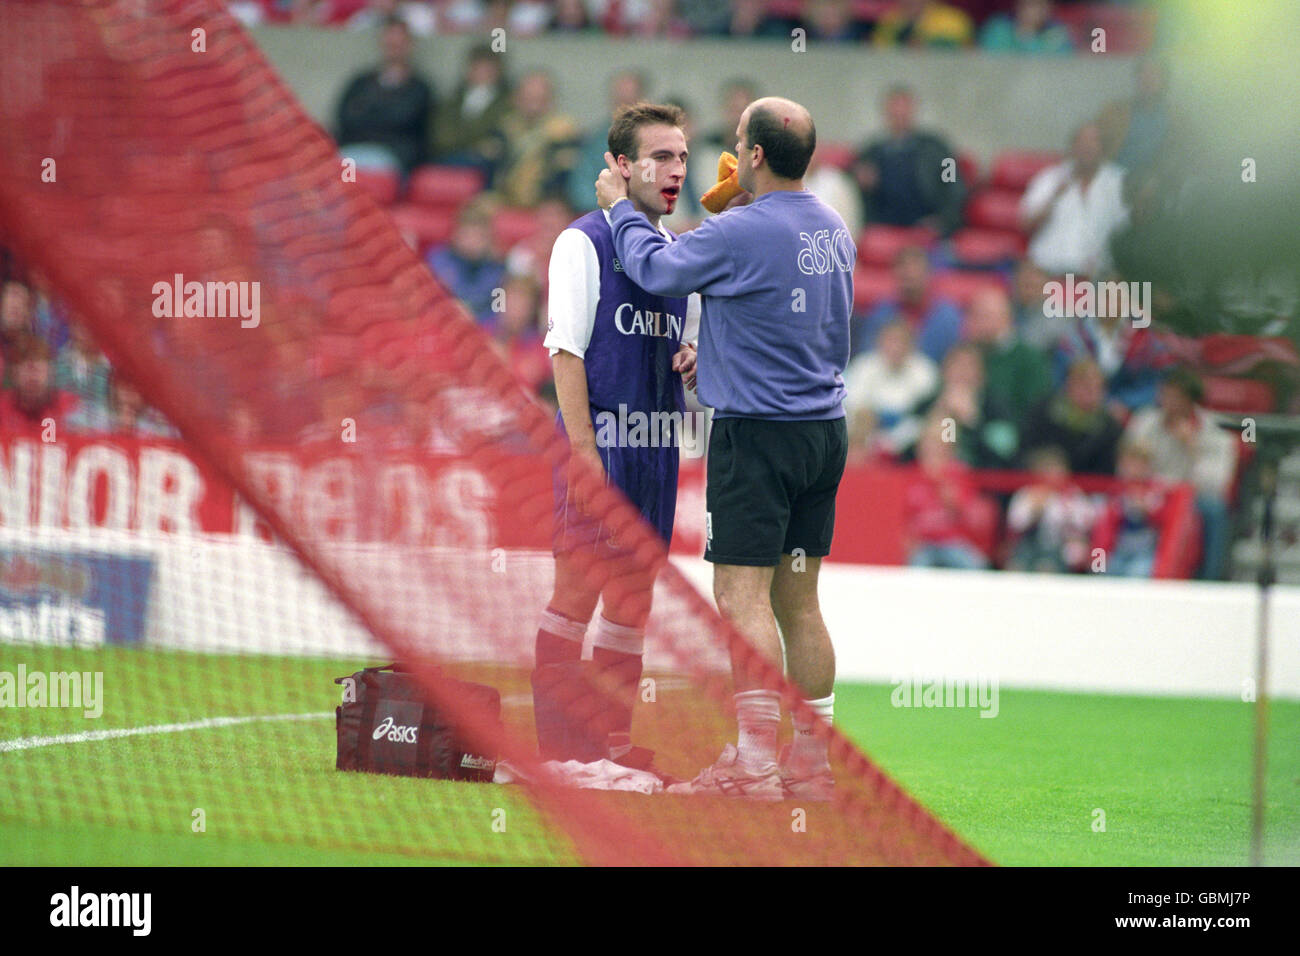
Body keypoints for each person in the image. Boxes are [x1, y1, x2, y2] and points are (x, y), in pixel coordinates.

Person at [597, 95, 852, 800]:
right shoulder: (835, 228)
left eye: (740, 143)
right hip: (823, 432)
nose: (729, 156)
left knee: (742, 597)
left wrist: (620, 206)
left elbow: (653, 269)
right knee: (801, 603)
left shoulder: (739, 229)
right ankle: (813, 765)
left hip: (757, 436)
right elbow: (792, 320)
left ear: (759, 156)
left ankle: (753, 764)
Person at [535, 103, 700, 771]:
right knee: (577, 593)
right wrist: (582, 454)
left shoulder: (676, 254)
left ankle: (610, 747)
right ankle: (558, 753)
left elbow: (684, 352)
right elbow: (565, 352)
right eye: (661, 156)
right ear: (623, 166)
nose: (676, 170)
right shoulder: (582, 242)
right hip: (599, 442)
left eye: (683, 157)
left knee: (633, 602)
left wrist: (694, 357)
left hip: (657, 447)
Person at [1019, 123, 1128, 277]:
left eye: (1094, 142)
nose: (1087, 147)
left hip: (1096, 277)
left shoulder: (1118, 182)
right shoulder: (1050, 178)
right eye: (1081, 142)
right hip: (1045, 273)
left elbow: (1128, 231)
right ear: (1072, 147)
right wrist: (1055, 196)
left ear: (1104, 148)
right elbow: (1026, 224)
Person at [334, 16, 434, 175]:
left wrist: (368, 112)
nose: (393, 46)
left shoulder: (420, 89)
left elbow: (410, 125)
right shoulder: (360, 82)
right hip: (351, 153)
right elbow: (345, 119)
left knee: (368, 178)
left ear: (409, 45)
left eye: (399, 43)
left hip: (392, 158)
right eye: (389, 42)